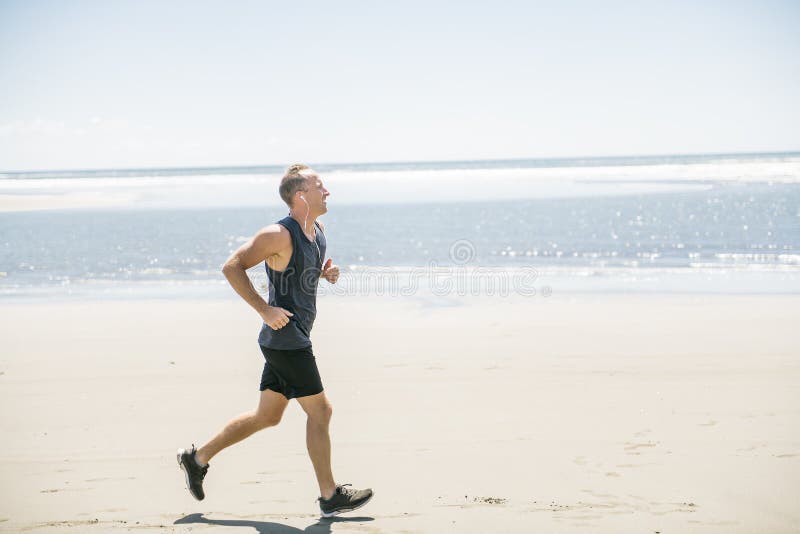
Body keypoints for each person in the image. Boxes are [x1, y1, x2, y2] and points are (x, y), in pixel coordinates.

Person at [177, 163, 373, 517]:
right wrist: (264, 309)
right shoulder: (277, 234)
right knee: (321, 411)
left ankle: (196, 458)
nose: (327, 191)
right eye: (320, 186)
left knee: (267, 416)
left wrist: (323, 273)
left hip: (287, 338)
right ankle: (330, 496)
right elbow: (232, 266)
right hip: (287, 340)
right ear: (301, 195)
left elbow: (297, 271)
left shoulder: (317, 230)